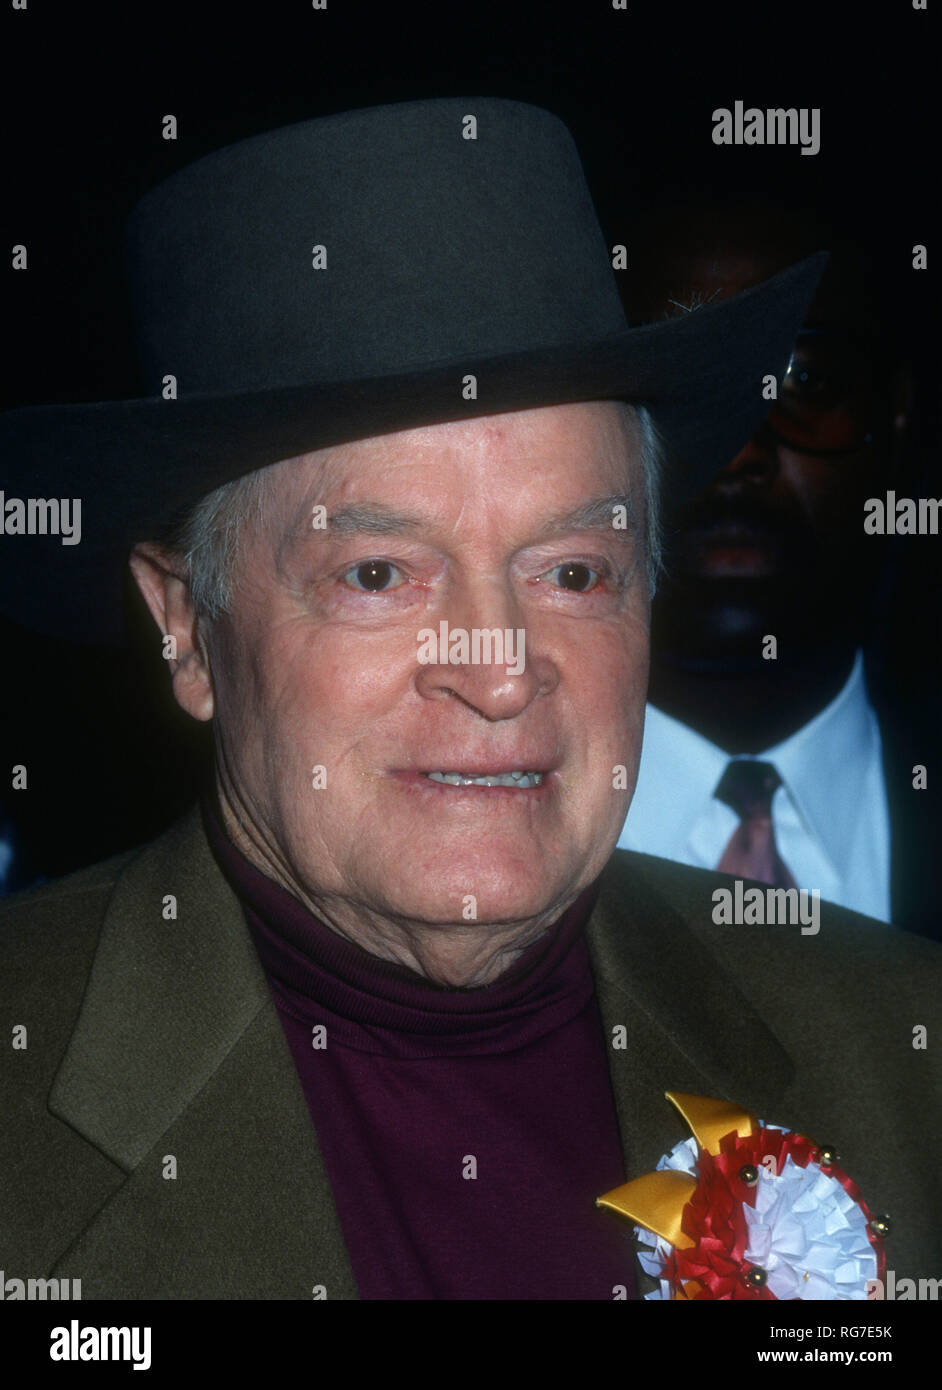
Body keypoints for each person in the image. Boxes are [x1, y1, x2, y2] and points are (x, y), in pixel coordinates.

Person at [0, 98, 939, 1300]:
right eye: (378, 573)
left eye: (573, 572)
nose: (500, 669)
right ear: (185, 625)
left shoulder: (909, 1053)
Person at [616, 197, 941, 938]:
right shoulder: (454, 841)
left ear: (896, 417)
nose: (738, 452)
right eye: (673, 386)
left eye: (806, 380)